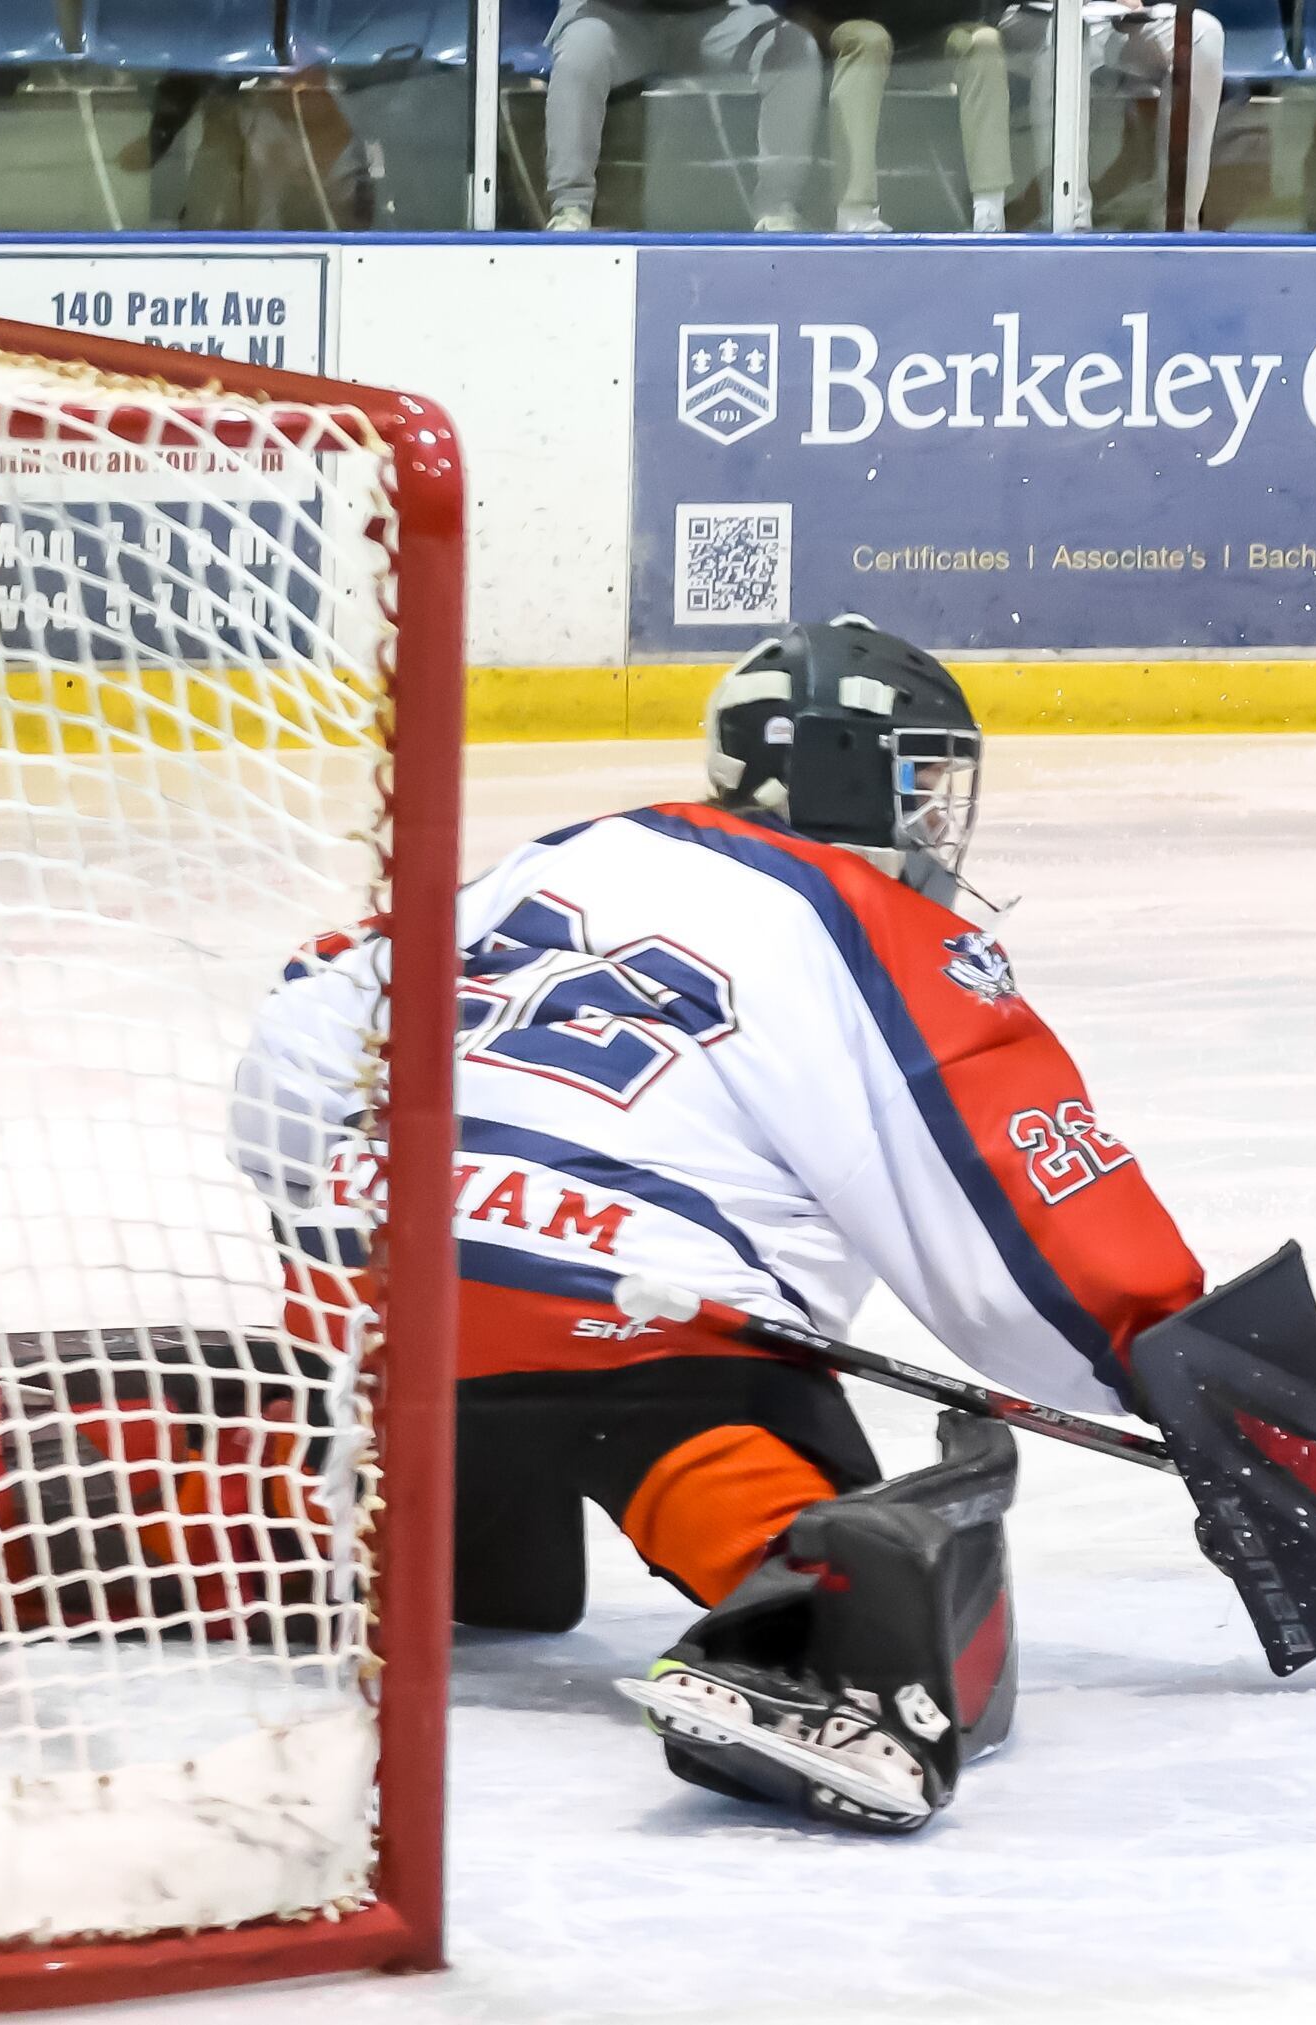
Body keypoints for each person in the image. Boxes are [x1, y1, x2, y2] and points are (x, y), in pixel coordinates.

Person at [234, 616, 1208, 1830]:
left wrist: (344, 1224)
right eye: (919, 780)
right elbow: (1003, 1192)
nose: (935, 819)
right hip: (636, 1327)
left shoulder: (559, 858)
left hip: (381, 1298)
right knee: (736, 1455)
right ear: (840, 769)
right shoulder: (868, 917)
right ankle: (818, 1631)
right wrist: (1182, 1379)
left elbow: (305, 1024)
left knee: (456, 1523)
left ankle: (160, 1493)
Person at [541, 0, 825, 231]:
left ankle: (777, 211)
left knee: (793, 49)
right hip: (611, 16)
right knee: (580, 54)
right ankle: (570, 207)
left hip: (711, 17)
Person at [800, 0, 1016, 232]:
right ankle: (854, 212)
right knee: (869, 40)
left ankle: (990, 211)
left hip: (933, 31)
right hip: (851, 24)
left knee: (984, 43)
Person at [1002, 1, 1223, 227]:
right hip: (1034, 14)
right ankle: (1068, 224)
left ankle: (1176, 227)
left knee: (1204, 33)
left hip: (1114, 18)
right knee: (1065, 30)